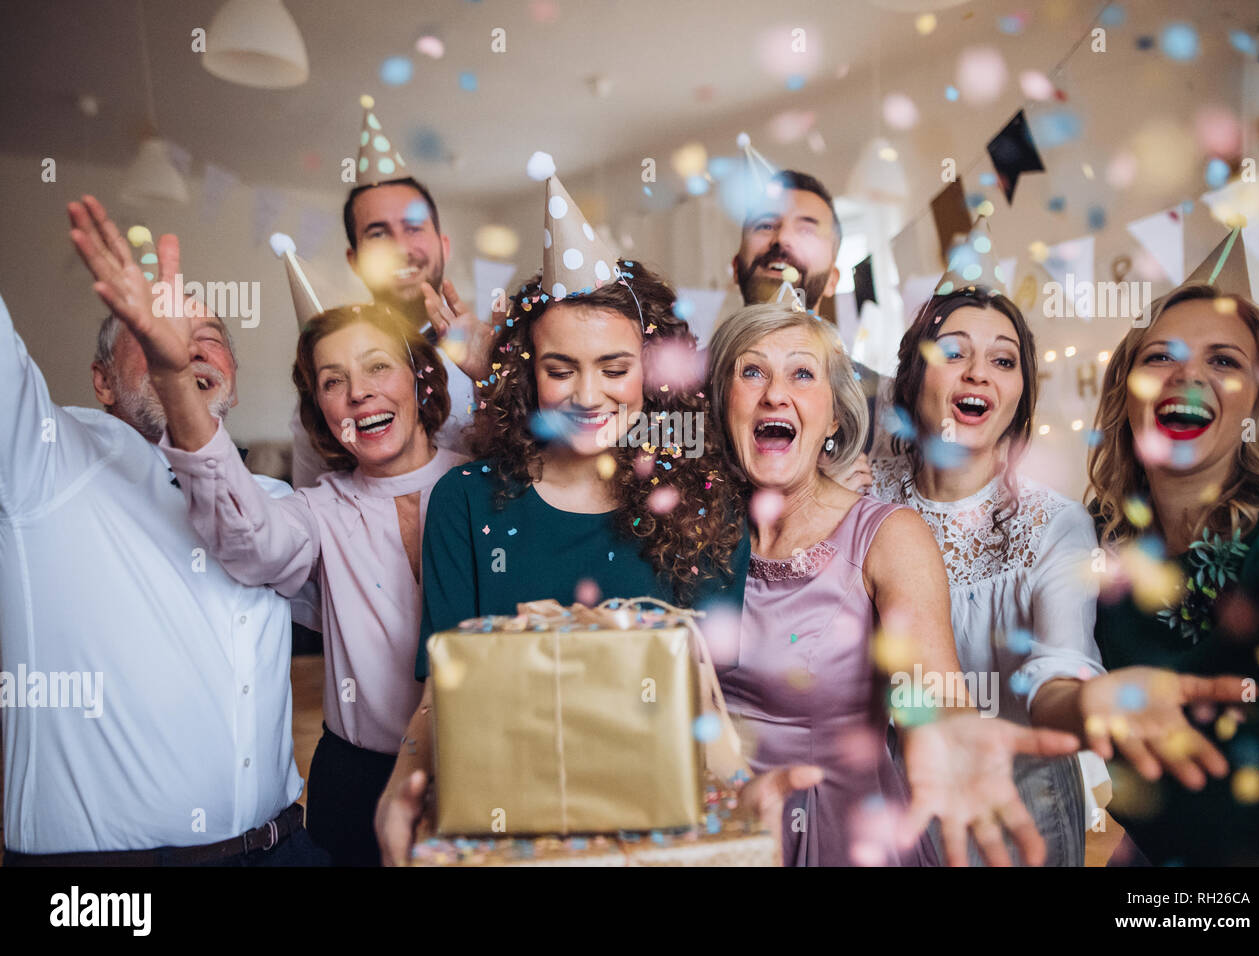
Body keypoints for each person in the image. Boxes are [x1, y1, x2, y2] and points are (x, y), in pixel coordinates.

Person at [374, 161, 752, 863]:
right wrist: (403, 784)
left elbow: (706, 692)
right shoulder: (467, 501)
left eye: (614, 369)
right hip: (506, 812)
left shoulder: (706, 504)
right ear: (525, 374)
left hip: (655, 816)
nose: (587, 395)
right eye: (560, 369)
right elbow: (442, 684)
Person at [71, 200, 469, 867]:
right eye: (332, 382)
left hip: (482, 767)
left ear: (417, 376)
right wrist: (174, 377)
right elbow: (247, 536)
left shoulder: (485, 485)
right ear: (319, 409)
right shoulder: (315, 509)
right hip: (357, 780)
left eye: (377, 367)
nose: (360, 394)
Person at [0, 195, 325, 866]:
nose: (186, 344)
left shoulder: (272, 501)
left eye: (210, 337)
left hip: (282, 847)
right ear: (101, 380)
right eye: (151, 335)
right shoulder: (41, 457)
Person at [707, 299, 1081, 866]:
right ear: (721, 403)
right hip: (716, 837)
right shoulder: (688, 534)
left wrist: (945, 732)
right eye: (752, 371)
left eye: (802, 374)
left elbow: (926, 684)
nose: (775, 394)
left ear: (834, 416)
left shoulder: (887, 533)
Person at [867, 220, 1103, 865]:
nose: (978, 372)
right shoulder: (861, 501)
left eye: (1003, 360)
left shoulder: (1057, 525)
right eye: (954, 352)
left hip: (1018, 792)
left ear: (1020, 398)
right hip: (888, 788)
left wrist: (1092, 706)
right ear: (912, 378)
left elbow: (1059, 666)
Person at [1082, 234, 1259, 866]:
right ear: (1127, 398)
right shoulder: (1092, 540)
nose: (1190, 374)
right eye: (1160, 357)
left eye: (1225, 361)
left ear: (1256, 400)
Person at [290, 99, 493, 487]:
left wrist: (492, 381)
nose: (400, 247)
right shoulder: (328, 386)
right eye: (379, 233)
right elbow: (312, 511)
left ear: (443, 245)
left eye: (414, 227)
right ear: (355, 260)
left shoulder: (502, 359)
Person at [733, 168, 881, 491]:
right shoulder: (679, 394)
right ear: (735, 267)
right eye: (765, 225)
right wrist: (813, 494)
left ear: (832, 280)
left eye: (807, 231)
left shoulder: (882, 402)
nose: (782, 239)